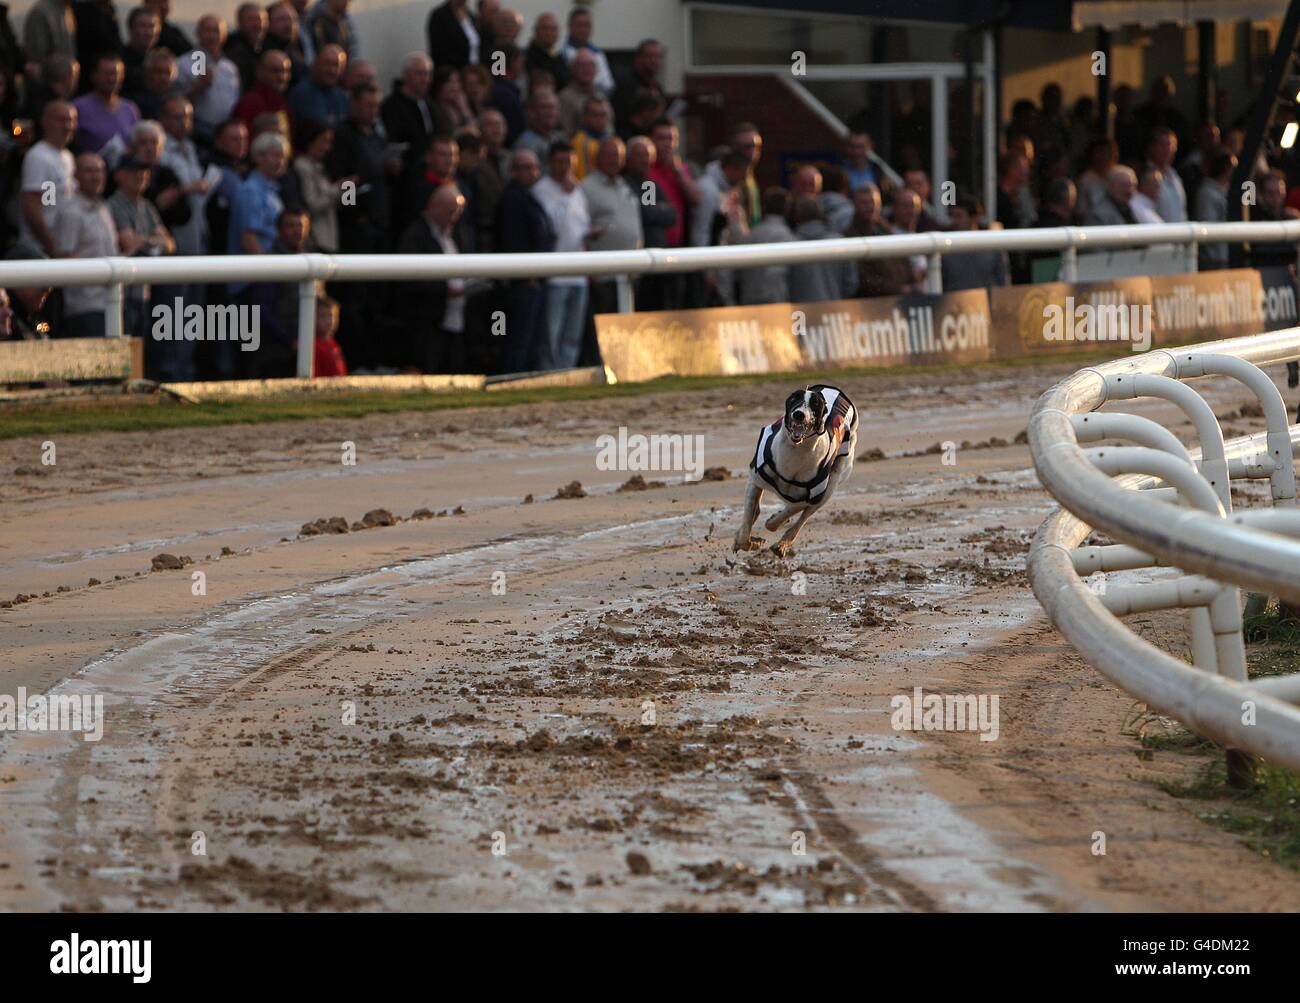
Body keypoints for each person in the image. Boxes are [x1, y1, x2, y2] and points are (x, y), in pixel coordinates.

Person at [393, 183, 467, 372]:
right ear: (434, 206)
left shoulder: (455, 234)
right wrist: (445, 290)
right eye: (450, 211)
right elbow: (409, 276)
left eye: (458, 212)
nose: (454, 217)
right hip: (427, 321)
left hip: (454, 320)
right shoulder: (416, 234)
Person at [531, 140, 589, 370]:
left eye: (570, 162)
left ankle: (568, 373)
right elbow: (551, 227)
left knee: (572, 334)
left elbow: (580, 223)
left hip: (579, 272)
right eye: (561, 162)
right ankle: (549, 375)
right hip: (555, 273)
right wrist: (565, 196)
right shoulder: (541, 190)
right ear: (550, 163)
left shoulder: (577, 190)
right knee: (550, 334)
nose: (565, 167)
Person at [496, 148, 553, 371]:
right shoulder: (513, 198)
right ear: (513, 171)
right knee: (519, 339)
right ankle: (512, 379)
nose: (530, 173)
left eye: (533, 168)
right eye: (524, 168)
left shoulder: (527, 196)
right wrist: (525, 274)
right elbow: (513, 239)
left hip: (533, 278)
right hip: (523, 282)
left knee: (530, 340)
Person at [107, 154, 174, 340]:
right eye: (133, 171)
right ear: (119, 175)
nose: (140, 176)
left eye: (144, 172)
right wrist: (153, 240)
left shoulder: (147, 206)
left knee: (140, 351)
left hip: (143, 292)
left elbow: (169, 244)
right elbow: (128, 243)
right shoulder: (113, 205)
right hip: (122, 294)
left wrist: (145, 241)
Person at [54, 152, 116, 337]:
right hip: (84, 307)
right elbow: (64, 258)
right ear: (76, 176)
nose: (96, 176)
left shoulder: (104, 208)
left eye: (100, 171)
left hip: (111, 302)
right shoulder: (71, 212)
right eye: (89, 171)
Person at [581, 136, 640, 314]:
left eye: (618, 155)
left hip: (630, 272)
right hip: (602, 275)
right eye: (609, 155)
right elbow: (579, 229)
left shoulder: (626, 185)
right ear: (597, 158)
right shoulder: (586, 188)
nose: (614, 159)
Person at [20, 99, 77, 256]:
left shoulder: (68, 157)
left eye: (71, 120)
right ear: (45, 122)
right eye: (61, 120)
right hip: (40, 250)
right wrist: (51, 246)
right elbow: (33, 206)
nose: (67, 126)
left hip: (63, 246)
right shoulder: (38, 156)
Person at [176, 16, 241, 145]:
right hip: (199, 131)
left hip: (225, 132)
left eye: (216, 31)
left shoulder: (229, 68)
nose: (212, 35)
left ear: (224, 35)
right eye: (208, 30)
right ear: (198, 33)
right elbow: (175, 99)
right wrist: (199, 86)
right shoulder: (184, 63)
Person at [845, 182, 910, 298]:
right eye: (864, 203)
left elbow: (901, 259)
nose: (870, 206)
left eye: (873, 202)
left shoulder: (885, 228)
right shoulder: (850, 236)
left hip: (896, 299)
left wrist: (911, 277)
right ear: (855, 205)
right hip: (871, 305)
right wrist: (898, 288)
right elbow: (863, 279)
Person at [787, 194, 855, 303]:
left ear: (796, 216)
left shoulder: (788, 246)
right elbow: (850, 284)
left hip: (801, 315)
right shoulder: (839, 242)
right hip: (834, 313)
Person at [71, 52, 138, 157]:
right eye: (106, 73)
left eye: (115, 74)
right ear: (94, 76)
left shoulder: (130, 109)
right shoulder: (78, 107)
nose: (111, 79)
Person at [736, 186, 794, 306]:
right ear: (787, 209)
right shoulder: (788, 237)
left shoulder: (752, 234)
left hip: (749, 301)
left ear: (764, 207)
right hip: (774, 306)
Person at [231, 130, 286, 255]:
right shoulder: (251, 190)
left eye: (283, 157)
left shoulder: (272, 189)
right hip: (257, 269)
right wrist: (267, 271)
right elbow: (249, 239)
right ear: (258, 157)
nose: (280, 162)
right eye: (276, 156)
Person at [940, 193, 1008, 292]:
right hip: (954, 305)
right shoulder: (944, 248)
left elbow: (1003, 282)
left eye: (959, 216)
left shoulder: (992, 246)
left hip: (985, 305)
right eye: (953, 216)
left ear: (974, 218)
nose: (955, 221)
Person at [381, 52, 433, 173]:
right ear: (406, 75)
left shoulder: (429, 104)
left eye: (428, 74)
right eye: (419, 74)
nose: (425, 79)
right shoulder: (392, 106)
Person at [288, 42, 347, 128]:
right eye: (327, 63)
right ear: (316, 63)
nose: (332, 70)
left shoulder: (341, 96)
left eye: (336, 65)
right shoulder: (302, 94)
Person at [1196, 148, 1235, 270]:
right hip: (1213, 260)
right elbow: (1207, 227)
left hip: (1228, 256)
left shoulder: (1231, 190)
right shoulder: (1207, 192)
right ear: (1225, 168)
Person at [560, 6, 613, 95]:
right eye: (579, 25)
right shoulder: (561, 54)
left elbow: (608, 85)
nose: (583, 30)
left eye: (587, 25)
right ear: (570, 27)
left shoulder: (598, 53)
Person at [232, 48, 291, 126]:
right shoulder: (250, 104)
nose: (282, 77)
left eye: (286, 71)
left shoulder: (283, 103)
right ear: (259, 71)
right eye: (275, 71)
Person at [612, 39, 661, 127]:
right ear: (638, 58)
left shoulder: (657, 87)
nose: (654, 60)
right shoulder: (624, 84)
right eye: (650, 56)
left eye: (657, 56)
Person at [1145, 127, 1186, 224]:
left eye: (1171, 145)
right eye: (1162, 144)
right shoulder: (1144, 175)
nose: (1167, 149)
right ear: (1152, 147)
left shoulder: (1175, 176)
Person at [23, 0, 77, 72]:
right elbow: (37, 58)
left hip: (67, 79)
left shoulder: (67, 10)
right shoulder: (40, 12)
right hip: (51, 79)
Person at [426, 0, 480, 71]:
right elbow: (439, 51)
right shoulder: (439, 16)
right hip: (453, 71)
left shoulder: (470, 15)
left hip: (474, 70)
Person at [513, 85, 561, 163]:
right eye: (544, 107)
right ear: (531, 112)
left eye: (553, 107)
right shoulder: (525, 143)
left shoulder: (559, 139)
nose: (550, 112)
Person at [225, 3, 267, 88]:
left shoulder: (266, 49)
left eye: (260, 20)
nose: (257, 24)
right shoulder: (231, 49)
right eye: (251, 19)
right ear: (239, 22)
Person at [525, 12, 567, 92]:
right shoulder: (527, 56)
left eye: (553, 29)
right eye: (545, 28)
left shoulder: (559, 56)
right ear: (536, 31)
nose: (549, 33)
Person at [313, 294, 347, 375]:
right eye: (322, 316)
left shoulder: (334, 344)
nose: (329, 321)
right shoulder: (313, 346)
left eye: (332, 316)